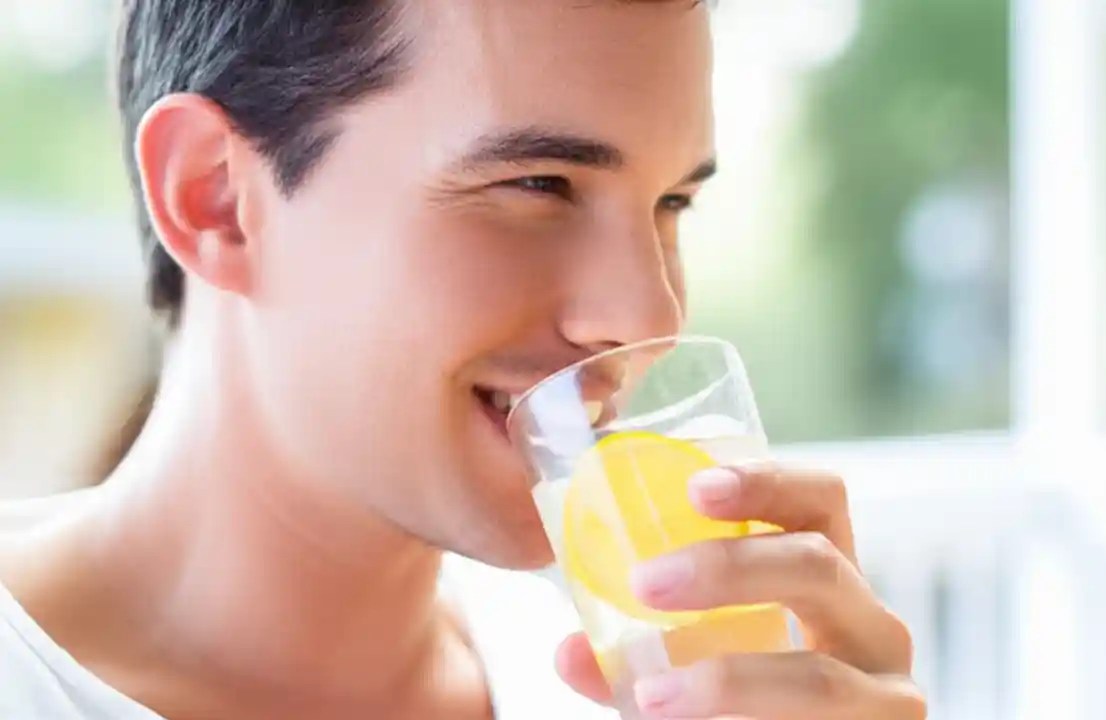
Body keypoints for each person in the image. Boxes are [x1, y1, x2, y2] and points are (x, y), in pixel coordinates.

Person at [0, 1, 925, 718]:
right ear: (215, 198)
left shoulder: (632, 678)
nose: (650, 313)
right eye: (538, 184)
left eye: (670, 204)